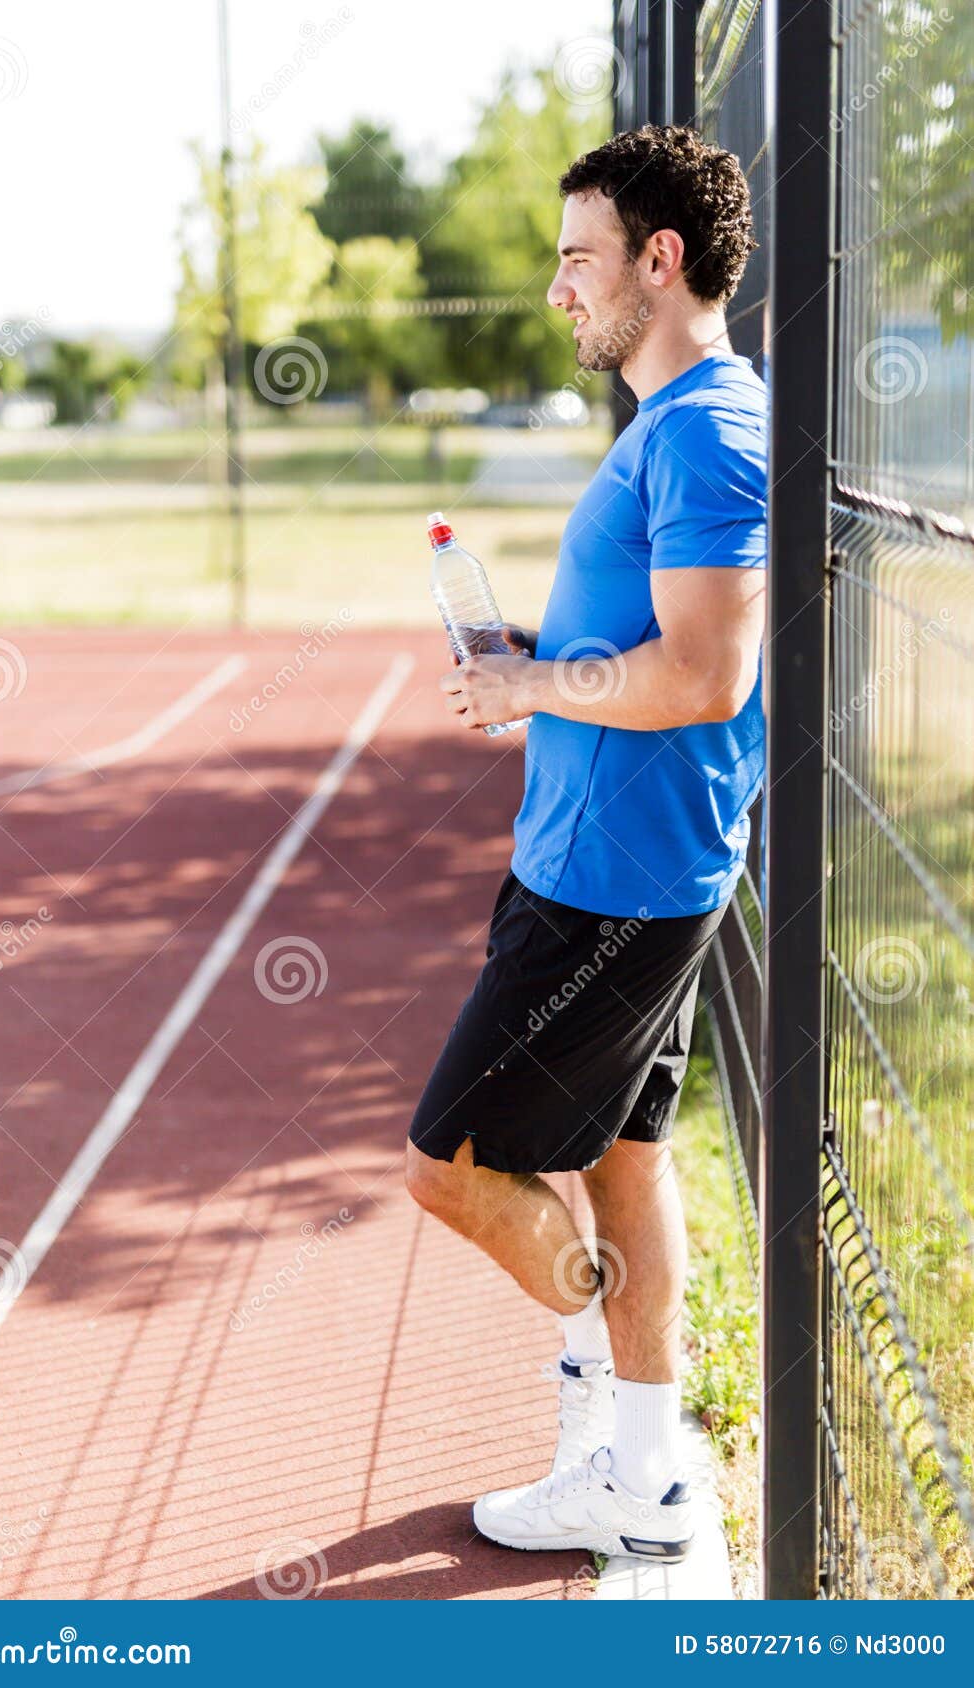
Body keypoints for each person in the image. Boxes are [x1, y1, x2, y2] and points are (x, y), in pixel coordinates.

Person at [405, 125, 767, 1563]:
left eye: (578, 257)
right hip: (604, 860)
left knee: (448, 1163)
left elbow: (704, 677)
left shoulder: (708, 431)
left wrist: (528, 683)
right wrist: (540, 651)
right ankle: (637, 1460)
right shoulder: (674, 423)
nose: (559, 289)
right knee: (625, 1155)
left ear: (657, 262)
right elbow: (648, 645)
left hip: (615, 883)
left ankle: (608, 1397)